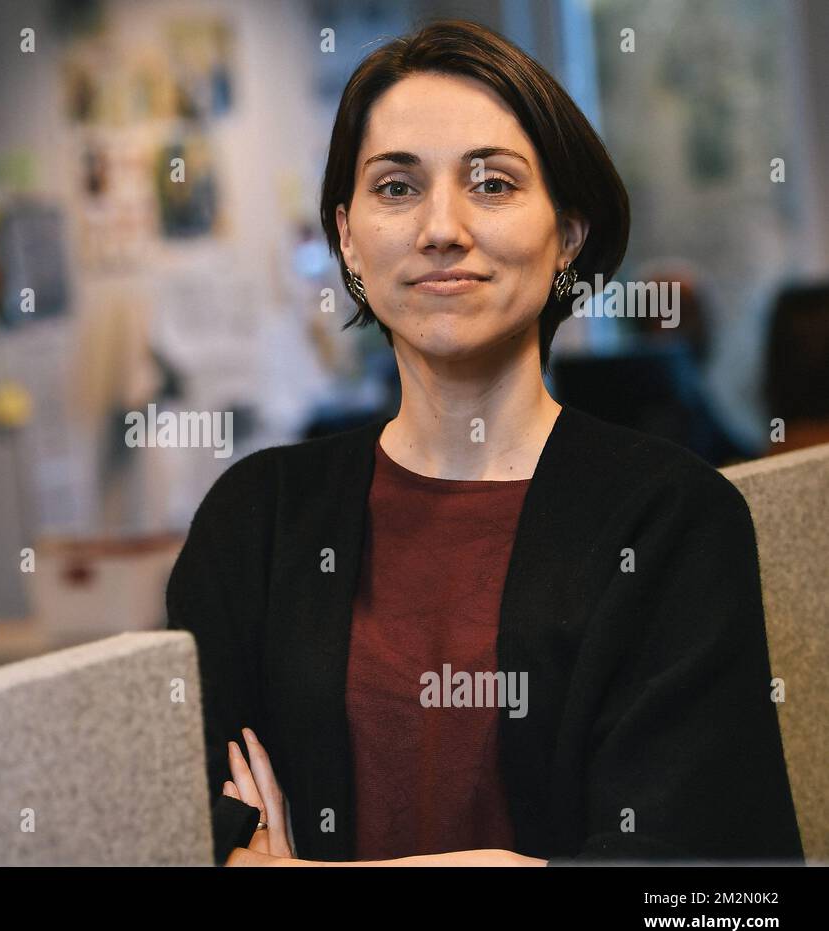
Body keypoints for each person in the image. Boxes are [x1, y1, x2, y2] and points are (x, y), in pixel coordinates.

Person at [165, 19, 803, 867]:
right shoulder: (256, 521)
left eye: (493, 184)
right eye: (396, 188)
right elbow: (185, 824)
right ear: (349, 238)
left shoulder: (674, 523)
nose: (441, 228)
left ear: (568, 235)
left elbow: (696, 887)